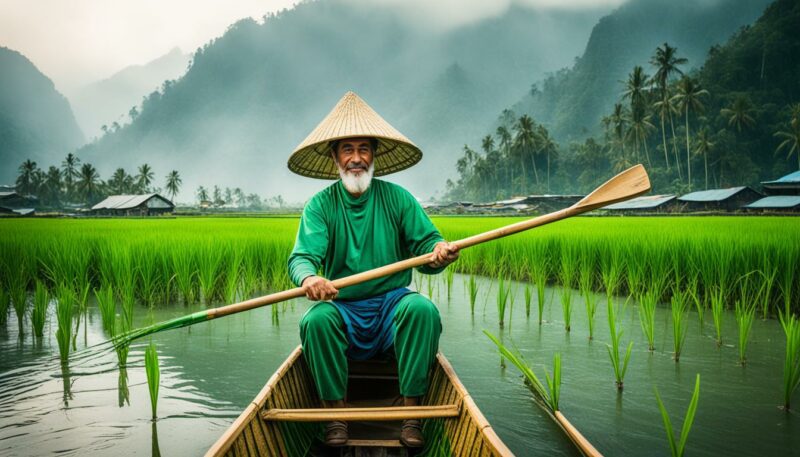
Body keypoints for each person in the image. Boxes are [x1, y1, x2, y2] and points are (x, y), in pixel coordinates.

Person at [287, 91, 459, 448]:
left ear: (374, 155)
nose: (356, 158)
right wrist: (310, 277)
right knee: (315, 321)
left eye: (363, 149)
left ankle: (411, 415)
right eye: (347, 149)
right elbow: (301, 257)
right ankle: (336, 415)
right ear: (335, 157)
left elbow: (428, 244)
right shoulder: (321, 206)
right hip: (344, 309)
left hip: (391, 306)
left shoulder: (398, 198)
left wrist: (438, 253)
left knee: (422, 310)